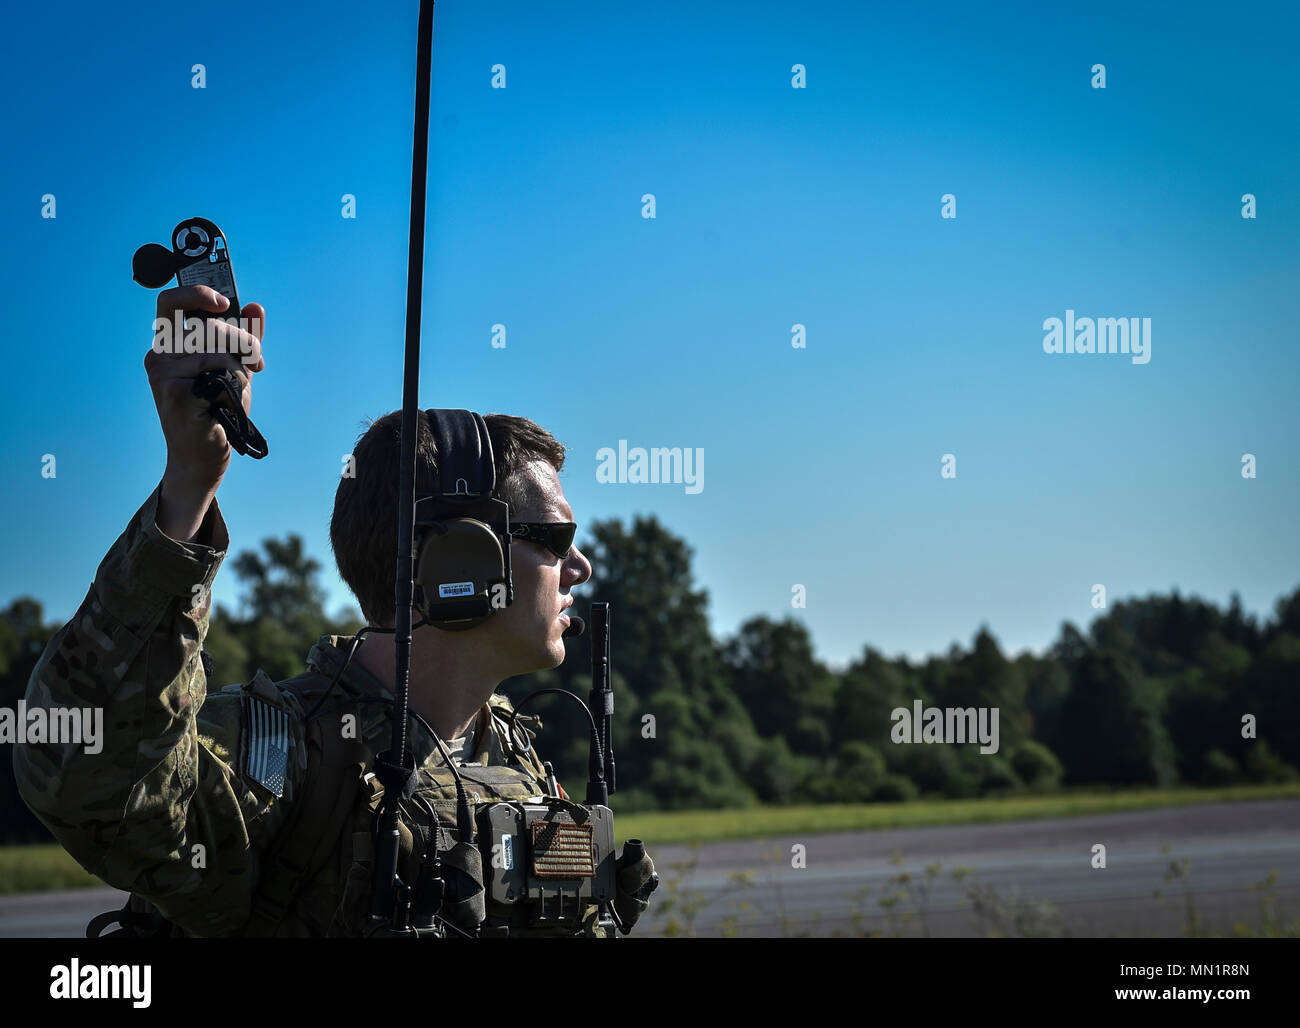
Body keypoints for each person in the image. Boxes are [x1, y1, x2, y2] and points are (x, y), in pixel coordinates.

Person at [13, 284, 656, 937]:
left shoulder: (519, 757)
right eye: (553, 540)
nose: (580, 568)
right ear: (460, 559)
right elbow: (78, 766)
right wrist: (188, 485)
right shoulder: (281, 758)